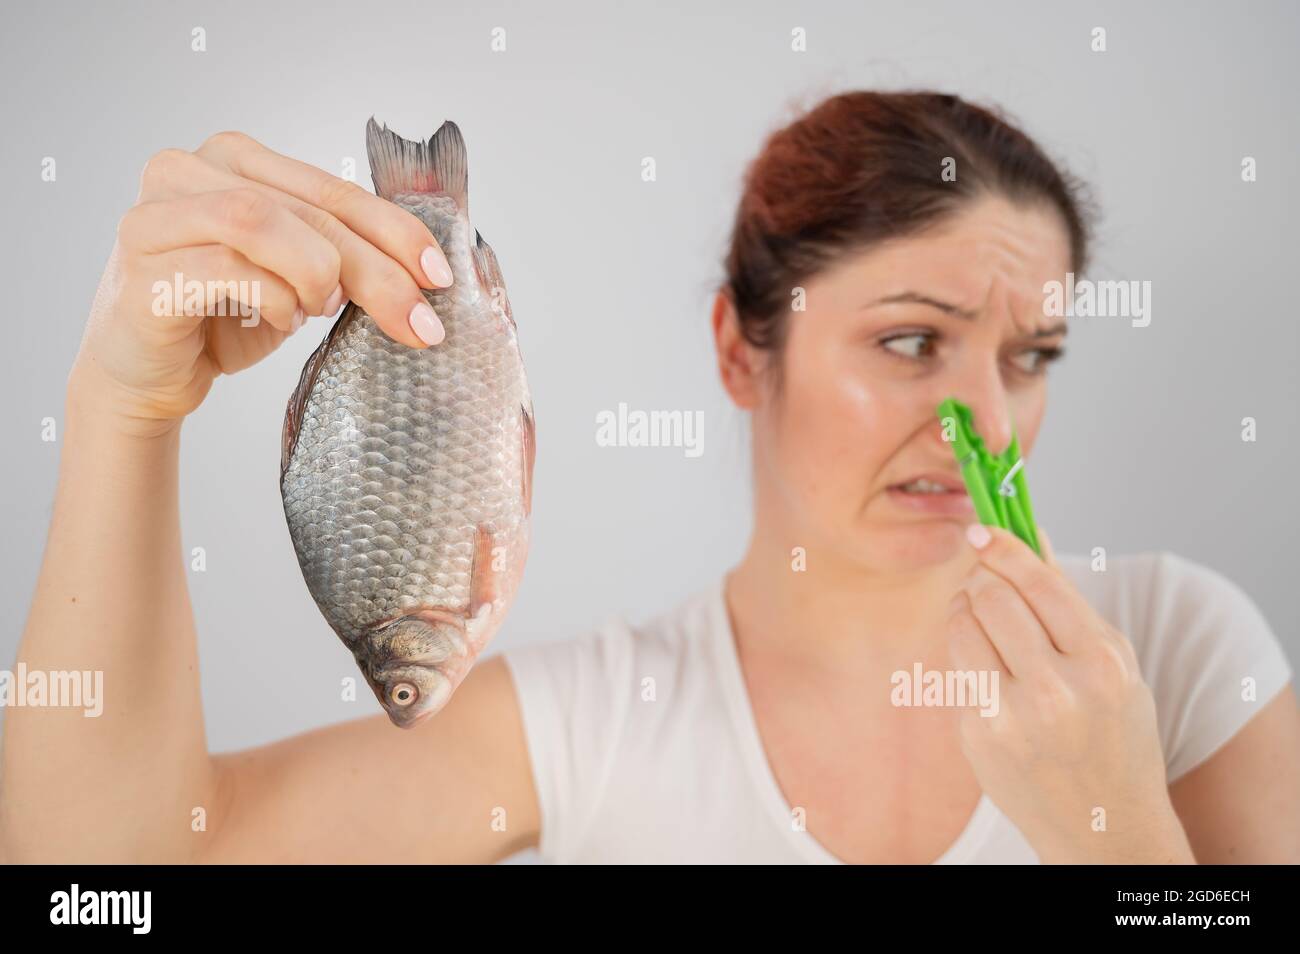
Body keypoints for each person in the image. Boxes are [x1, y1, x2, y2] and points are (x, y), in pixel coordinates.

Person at [4, 91, 1297, 865]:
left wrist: (1119, 830)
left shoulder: (1176, 647)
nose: (987, 423)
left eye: (1031, 354)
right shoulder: (596, 718)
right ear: (744, 352)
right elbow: (111, 877)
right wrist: (121, 408)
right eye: (912, 340)